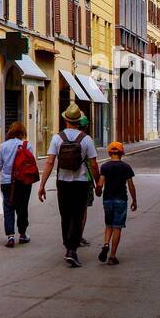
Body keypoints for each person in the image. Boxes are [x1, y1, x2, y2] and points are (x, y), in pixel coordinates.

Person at [38, 103, 99, 267]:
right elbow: (93, 165)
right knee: (77, 216)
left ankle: (68, 247)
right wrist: (98, 182)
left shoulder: (57, 138)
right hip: (80, 183)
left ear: (65, 120)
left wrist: (42, 185)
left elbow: (50, 162)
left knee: (65, 216)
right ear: (79, 121)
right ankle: (72, 250)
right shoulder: (86, 139)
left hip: (63, 183)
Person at [0, 120, 36, 247]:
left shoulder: (3, 146)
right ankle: (23, 234)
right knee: (22, 207)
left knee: (8, 207)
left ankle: (10, 236)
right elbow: (31, 164)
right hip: (23, 181)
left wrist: (8, 170)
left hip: (7, 182)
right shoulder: (26, 145)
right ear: (22, 132)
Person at [96, 142, 137, 264]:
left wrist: (97, 190)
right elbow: (131, 186)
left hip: (107, 199)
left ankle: (106, 244)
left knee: (108, 225)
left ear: (109, 153)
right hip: (121, 200)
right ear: (121, 154)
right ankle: (112, 256)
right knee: (117, 227)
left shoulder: (105, 167)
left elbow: (100, 184)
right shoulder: (126, 167)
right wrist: (134, 200)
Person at [78, 112, 94, 248]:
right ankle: (79, 236)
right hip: (85, 179)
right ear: (86, 126)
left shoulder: (63, 138)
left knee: (70, 210)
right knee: (83, 210)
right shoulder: (87, 139)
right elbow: (93, 163)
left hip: (66, 179)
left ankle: (70, 236)